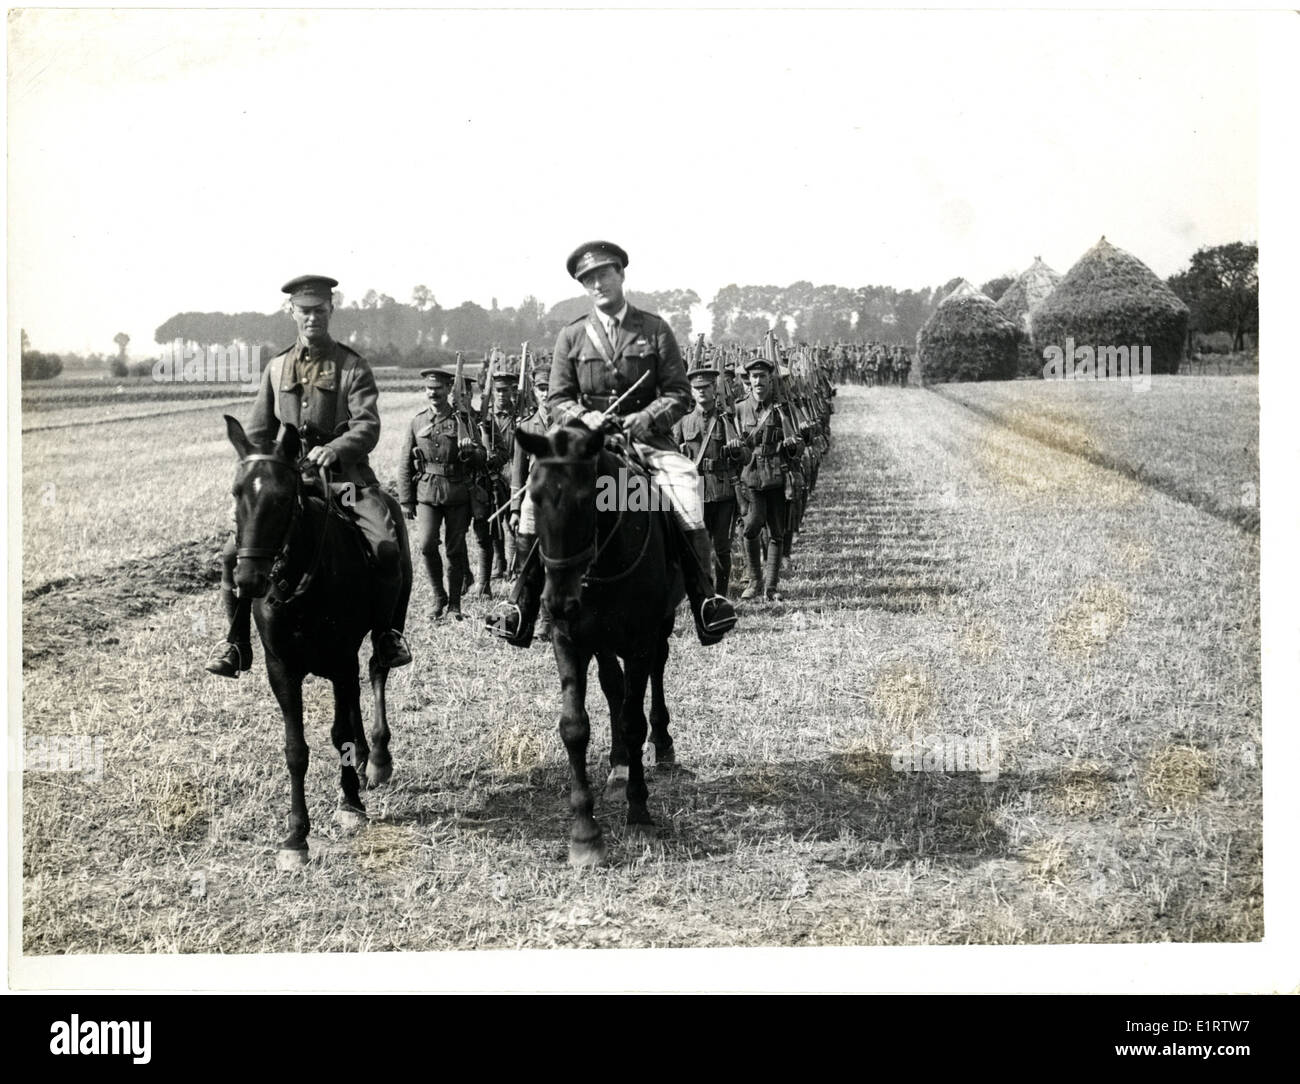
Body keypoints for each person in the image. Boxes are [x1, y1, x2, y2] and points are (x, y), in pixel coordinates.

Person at [487, 240, 737, 647]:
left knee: (687, 484)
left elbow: (678, 393)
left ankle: (705, 600)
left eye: (604, 274)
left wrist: (643, 419)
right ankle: (521, 603)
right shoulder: (571, 336)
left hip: (646, 443)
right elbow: (557, 400)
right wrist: (585, 419)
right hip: (585, 446)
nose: (598, 283)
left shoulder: (654, 329)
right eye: (589, 278)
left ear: (621, 275)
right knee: (537, 498)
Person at [206, 275, 411, 676]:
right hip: (289, 487)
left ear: (331, 310)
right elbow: (258, 434)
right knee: (234, 554)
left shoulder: (352, 366)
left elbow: (367, 426)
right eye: (305, 311)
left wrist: (334, 449)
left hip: (345, 483)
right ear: (292, 313)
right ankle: (236, 643)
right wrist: (255, 475)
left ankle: (387, 636)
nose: (312, 317)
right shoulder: (276, 367)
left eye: (320, 310)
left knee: (386, 546)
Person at [398, 366, 485, 620]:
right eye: (429, 389)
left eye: (437, 389)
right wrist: (406, 499)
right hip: (426, 493)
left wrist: (469, 452)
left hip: (457, 492)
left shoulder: (463, 420)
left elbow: (481, 459)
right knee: (426, 545)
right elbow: (405, 461)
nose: (432, 393)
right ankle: (438, 597)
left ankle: (455, 605)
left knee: (455, 550)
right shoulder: (417, 421)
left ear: (448, 390)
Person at [672, 365, 745, 597]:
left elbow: (746, 456)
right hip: (695, 494)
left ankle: (722, 594)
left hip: (723, 491)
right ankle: (703, 595)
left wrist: (736, 450)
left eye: (706, 387)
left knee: (722, 548)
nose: (702, 392)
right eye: (697, 388)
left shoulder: (727, 420)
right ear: (692, 392)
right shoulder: (683, 423)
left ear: (715, 389)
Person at [734, 355, 803, 602]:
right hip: (751, 475)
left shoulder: (783, 409)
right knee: (752, 525)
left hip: (777, 474)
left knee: (777, 532)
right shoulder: (740, 408)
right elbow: (736, 444)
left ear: (770, 380)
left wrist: (793, 445)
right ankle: (754, 581)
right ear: (749, 381)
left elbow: (799, 446)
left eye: (763, 376)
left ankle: (771, 587)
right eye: (754, 377)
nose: (759, 381)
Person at [507, 359, 555, 641]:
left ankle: (547, 620)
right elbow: (517, 471)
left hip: (561, 501)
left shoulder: (568, 424)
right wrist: (514, 508)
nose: (546, 393)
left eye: (550, 388)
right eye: (541, 388)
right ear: (534, 391)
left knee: (554, 561)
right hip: (531, 501)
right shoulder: (526, 427)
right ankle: (525, 616)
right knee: (528, 562)